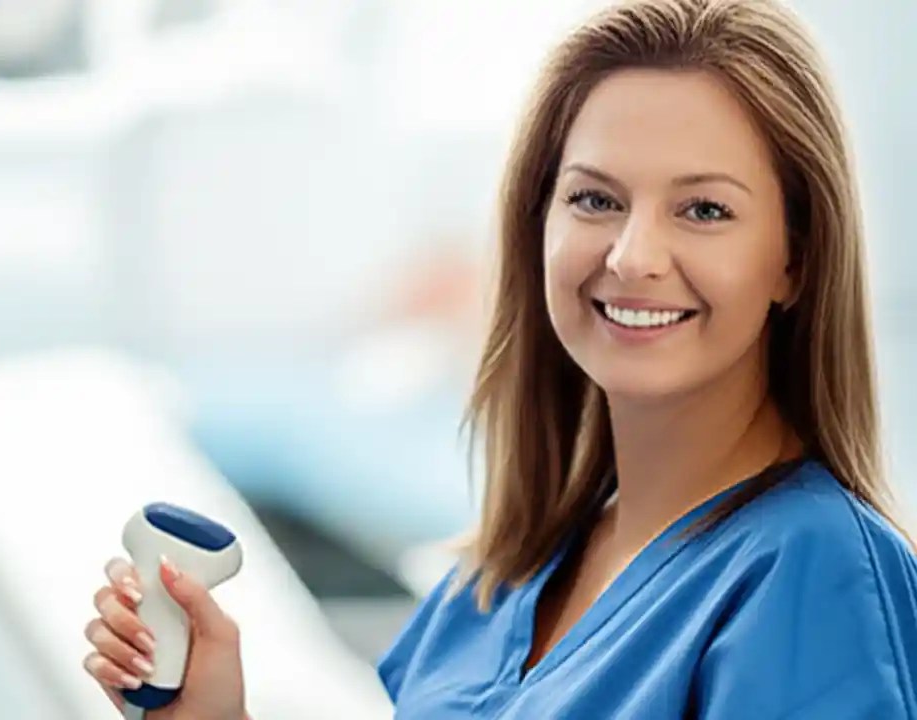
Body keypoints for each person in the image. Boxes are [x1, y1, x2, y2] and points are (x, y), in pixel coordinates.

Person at [79, 0, 917, 716]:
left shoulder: (816, 572)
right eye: (595, 198)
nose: (632, 255)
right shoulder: (494, 581)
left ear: (796, 260)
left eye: (702, 209)